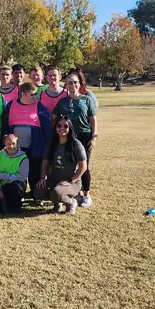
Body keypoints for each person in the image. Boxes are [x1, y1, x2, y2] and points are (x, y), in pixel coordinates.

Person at [53, 74, 98, 208]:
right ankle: (70, 192)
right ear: (66, 86)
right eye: (70, 83)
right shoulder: (62, 102)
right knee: (67, 166)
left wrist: (94, 137)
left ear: (79, 84)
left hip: (84, 137)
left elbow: (93, 119)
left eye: (75, 82)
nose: (73, 85)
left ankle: (86, 194)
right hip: (68, 138)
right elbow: (54, 117)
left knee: (84, 166)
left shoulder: (87, 99)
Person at [2, 82, 51, 200]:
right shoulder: (11, 105)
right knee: (17, 172)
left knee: (34, 172)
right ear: (23, 94)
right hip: (16, 148)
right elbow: (5, 123)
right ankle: (18, 194)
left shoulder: (39, 106)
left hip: (34, 147)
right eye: (32, 94)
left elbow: (46, 126)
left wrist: (47, 144)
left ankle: (37, 196)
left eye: (36, 94)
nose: (35, 97)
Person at [34, 118, 87, 215]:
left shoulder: (75, 144)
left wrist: (71, 181)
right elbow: (45, 163)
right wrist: (42, 178)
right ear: (55, 128)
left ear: (70, 128)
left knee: (56, 192)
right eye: (59, 126)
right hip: (54, 180)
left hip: (71, 182)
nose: (62, 128)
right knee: (38, 192)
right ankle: (57, 205)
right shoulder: (52, 144)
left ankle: (71, 202)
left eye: (65, 126)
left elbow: (83, 166)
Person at [0, 134, 29, 214]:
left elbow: (23, 177)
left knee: (13, 206)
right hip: (1, 185)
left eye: (13, 144)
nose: (11, 146)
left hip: (15, 185)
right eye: (8, 144)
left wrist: (3, 176)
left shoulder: (23, 158)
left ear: (17, 144)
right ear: (5, 144)